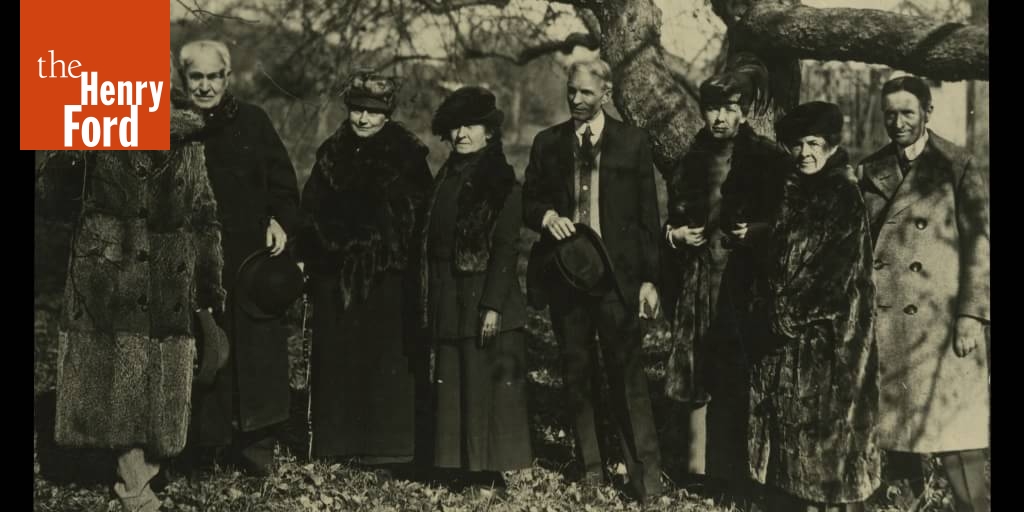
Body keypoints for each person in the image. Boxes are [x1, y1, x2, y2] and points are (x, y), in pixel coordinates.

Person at [34, 58, 225, 511]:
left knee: (158, 395)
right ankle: (134, 486)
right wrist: (69, 150)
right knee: (121, 391)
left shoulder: (189, 140)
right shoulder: (93, 125)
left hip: (167, 285)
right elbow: (51, 200)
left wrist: (211, 289)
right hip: (107, 282)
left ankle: (142, 475)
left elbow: (204, 215)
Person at [522, 58, 665, 501]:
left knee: (627, 378)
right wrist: (546, 216)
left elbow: (647, 218)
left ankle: (646, 480)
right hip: (568, 278)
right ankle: (592, 472)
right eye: (572, 90)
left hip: (617, 283)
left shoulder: (633, 143)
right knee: (577, 374)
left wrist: (649, 280)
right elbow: (528, 198)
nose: (577, 99)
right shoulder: (548, 143)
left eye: (586, 92)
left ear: (605, 93)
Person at [857, 75, 989, 512]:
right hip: (890, 322)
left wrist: (972, 315)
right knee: (898, 432)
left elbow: (980, 244)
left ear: (927, 113)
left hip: (943, 320)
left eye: (907, 113)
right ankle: (904, 504)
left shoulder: (957, 164)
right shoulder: (869, 169)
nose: (898, 122)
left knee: (959, 433)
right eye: (890, 114)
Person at [660, 64, 788, 497]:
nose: (719, 118)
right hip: (700, 283)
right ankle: (697, 473)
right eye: (712, 109)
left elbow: (789, 223)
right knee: (698, 375)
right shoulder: (691, 160)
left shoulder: (767, 159)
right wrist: (675, 235)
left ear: (744, 111)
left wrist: (756, 232)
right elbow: (670, 221)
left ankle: (736, 472)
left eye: (728, 108)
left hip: (745, 284)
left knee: (739, 379)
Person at [747, 101, 879, 512]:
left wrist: (782, 314)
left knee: (829, 450)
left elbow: (833, 275)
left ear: (831, 144)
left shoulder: (843, 194)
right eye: (798, 144)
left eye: (813, 143)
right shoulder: (793, 190)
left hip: (831, 342)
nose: (805, 152)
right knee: (793, 452)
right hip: (790, 341)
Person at [298, 71, 434, 470]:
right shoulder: (332, 151)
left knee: (385, 361)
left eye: (372, 112)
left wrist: (386, 243)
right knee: (339, 358)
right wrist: (323, 246)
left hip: (388, 277)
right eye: (357, 110)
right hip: (336, 274)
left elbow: (421, 214)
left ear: (387, 115)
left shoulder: (408, 155)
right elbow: (310, 209)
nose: (362, 119)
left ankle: (389, 448)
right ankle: (338, 443)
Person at [178, 39, 302, 475]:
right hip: (190, 261)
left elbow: (284, 184)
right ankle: (202, 446)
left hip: (249, 260)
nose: (207, 86)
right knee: (203, 350)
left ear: (227, 78)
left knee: (257, 353)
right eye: (197, 77)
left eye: (215, 77)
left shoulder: (253, 122)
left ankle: (256, 448)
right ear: (183, 79)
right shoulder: (171, 128)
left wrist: (280, 220)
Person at [420, 85, 533, 490]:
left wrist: (493, 306)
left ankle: (486, 471)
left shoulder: (499, 181)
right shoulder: (446, 175)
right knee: (454, 383)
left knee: (483, 386)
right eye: (456, 127)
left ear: (490, 132)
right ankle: (454, 465)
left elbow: (506, 250)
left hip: (484, 298)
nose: (463, 134)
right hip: (450, 295)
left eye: (472, 126)